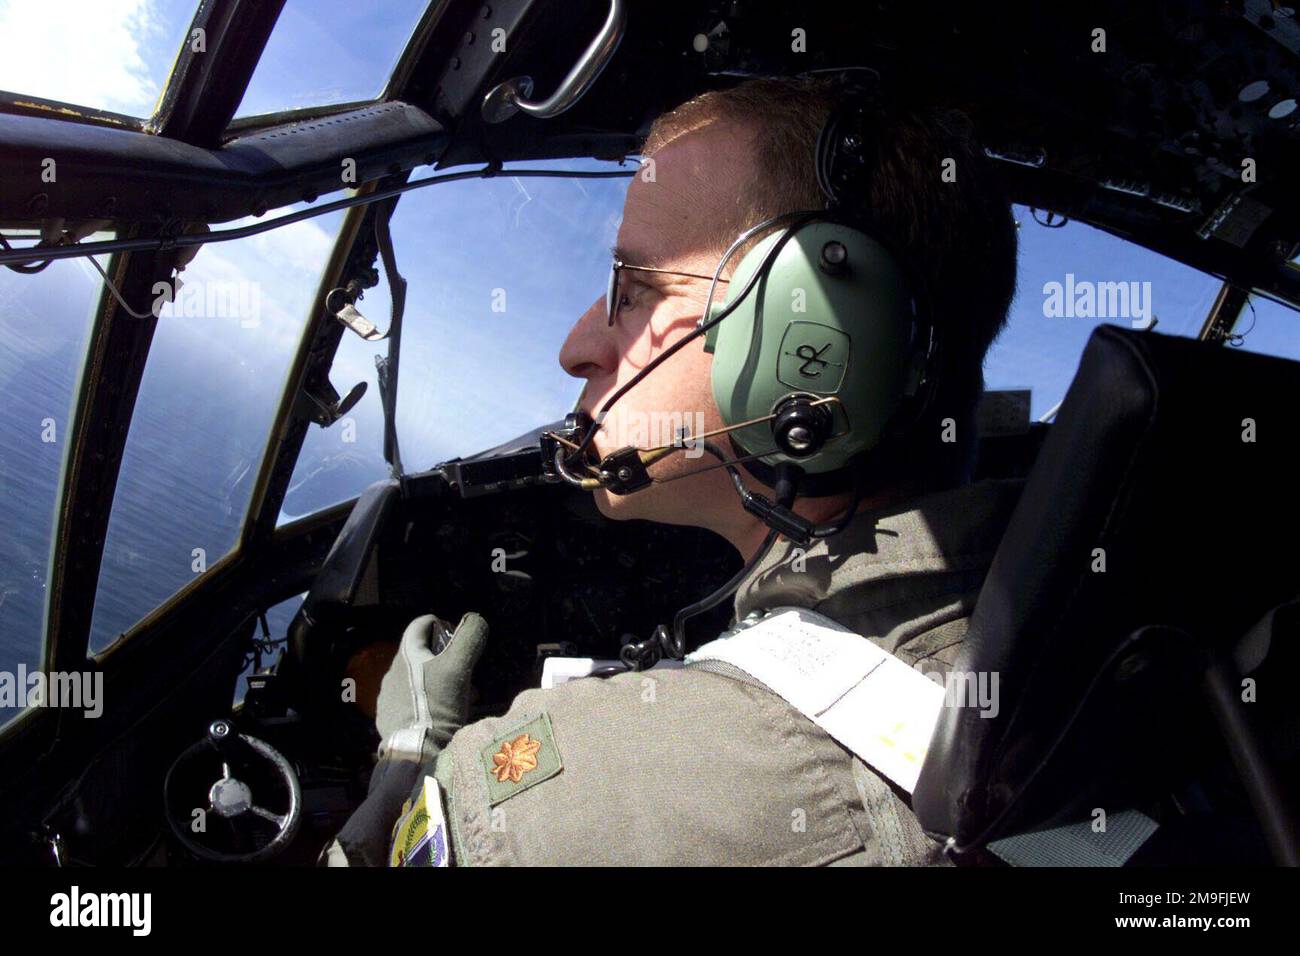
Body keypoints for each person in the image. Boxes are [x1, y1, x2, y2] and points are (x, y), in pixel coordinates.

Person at [324, 74, 1020, 866]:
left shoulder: (562, 812)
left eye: (637, 286)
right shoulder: (1065, 635)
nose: (576, 346)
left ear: (814, 343)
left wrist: (409, 766)